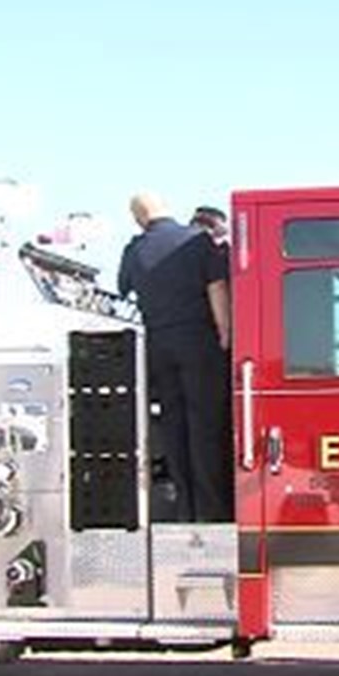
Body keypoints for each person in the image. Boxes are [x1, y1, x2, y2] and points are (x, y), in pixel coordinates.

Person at [116, 192, 232, 522]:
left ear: (139, 218)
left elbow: (123, 288)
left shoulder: (135, 249)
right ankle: (212, 512)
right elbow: (217, 288)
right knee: (206, 428)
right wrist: (224, 331)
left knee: (174, 430)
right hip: (200, 343)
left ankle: (185, 509)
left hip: (159, 347)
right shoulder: (198, 242)